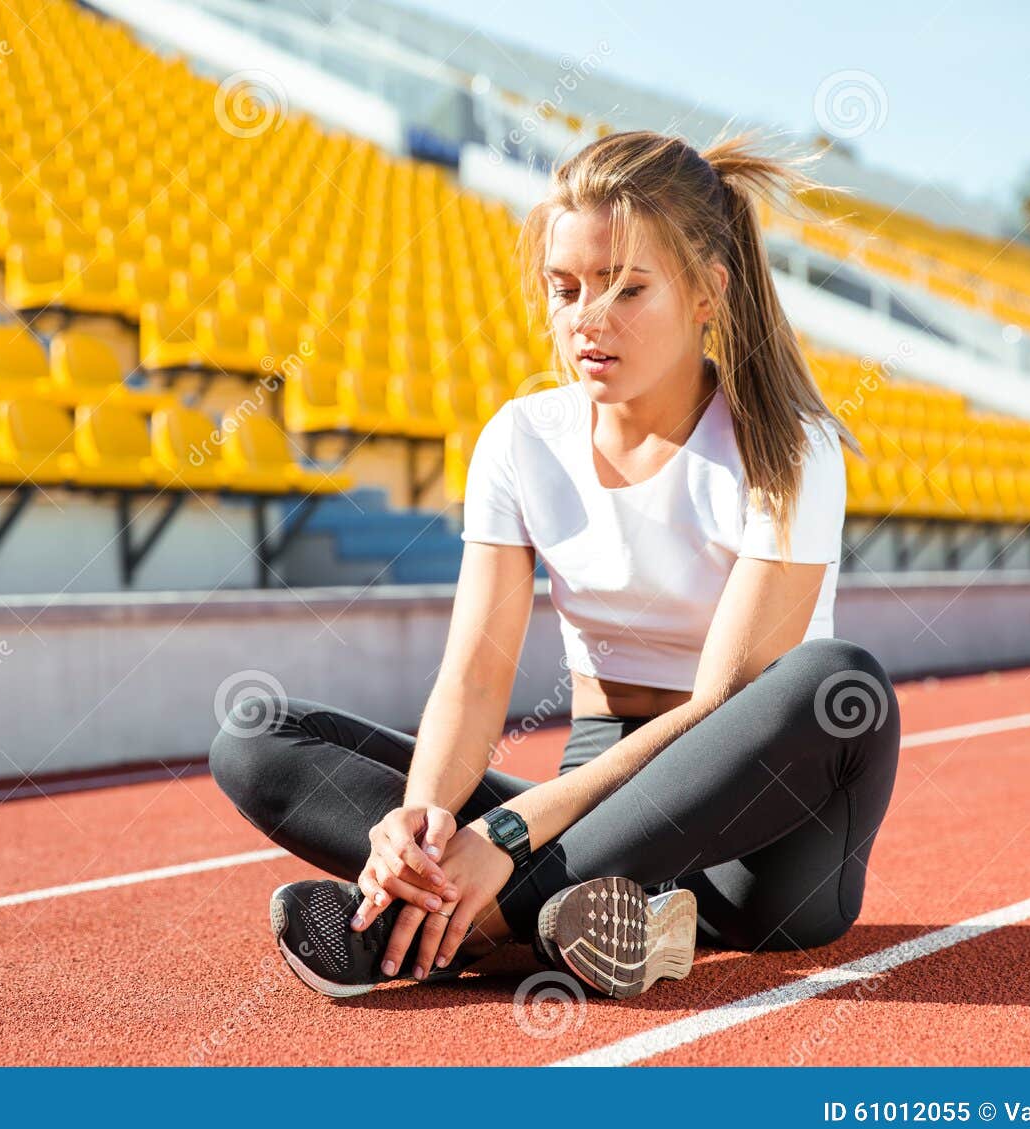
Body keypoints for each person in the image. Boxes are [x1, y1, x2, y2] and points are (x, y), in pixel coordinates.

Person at [209, 129, 901, 1000]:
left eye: (626, 289)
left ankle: (441, 925)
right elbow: (474, 674)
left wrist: (507, 829)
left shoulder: (785, 448)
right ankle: (562, 914)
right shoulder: (521, 439)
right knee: (256, 737)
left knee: (837, 681)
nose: (586, 318)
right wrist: (419, 823)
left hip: (761, 840)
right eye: (564, 288)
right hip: (595, 796)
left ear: (706, 294)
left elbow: (724, 704)